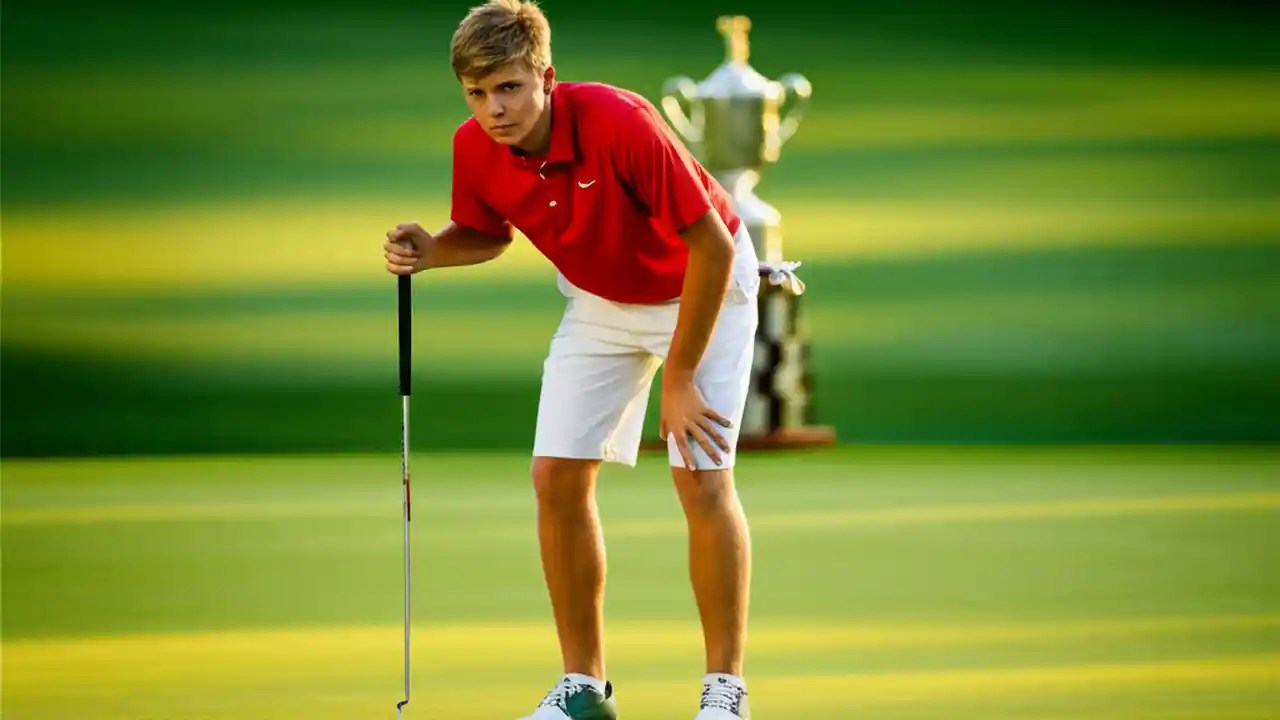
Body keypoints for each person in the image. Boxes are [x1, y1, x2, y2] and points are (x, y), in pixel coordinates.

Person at [383, 2, 757, 718]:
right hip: (599, 301)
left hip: (704, 288)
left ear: (545, 77)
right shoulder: (474, 146)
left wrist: (678, 378)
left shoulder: (622, 122)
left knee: (702, 479)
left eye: (509, 88)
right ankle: (584, 690)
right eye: (477, 92)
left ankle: (724, 692)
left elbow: (709, 246)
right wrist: (433, 249)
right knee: (555, 475)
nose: (494, 109)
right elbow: (486, 232)